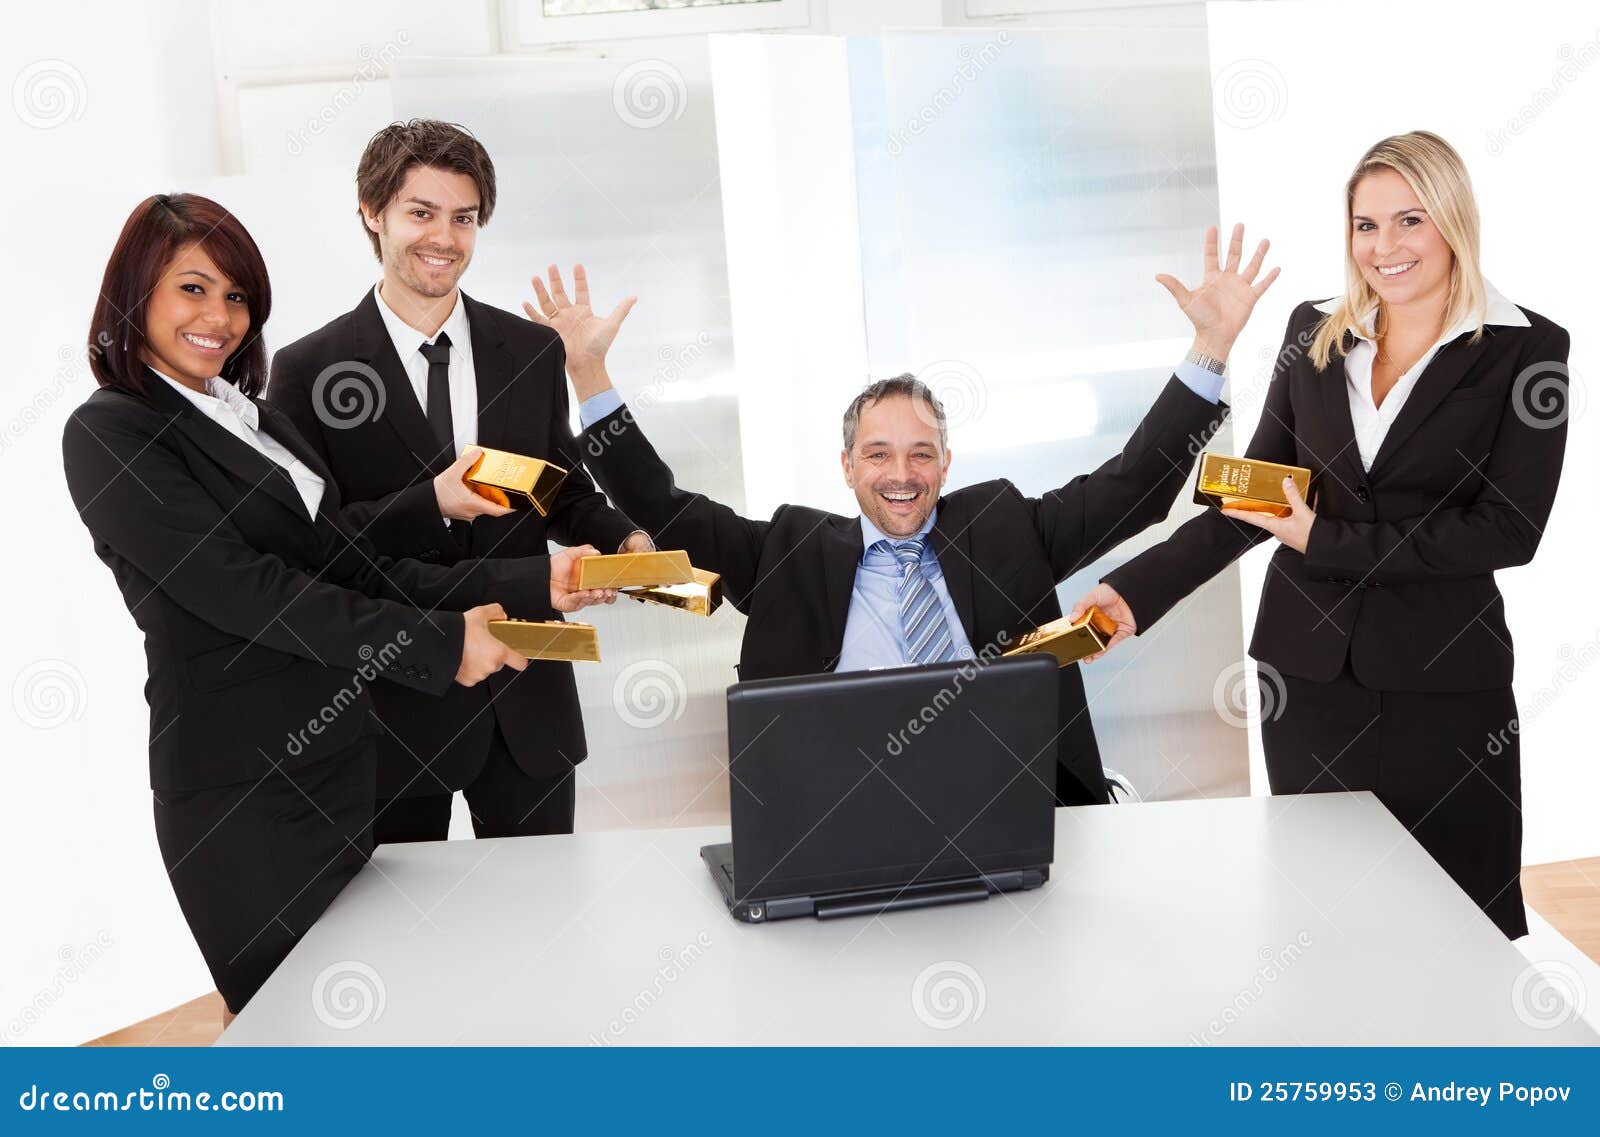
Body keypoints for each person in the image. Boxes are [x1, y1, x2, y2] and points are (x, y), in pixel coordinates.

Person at [61, 193, 614, 1015]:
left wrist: (531, 585)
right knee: (304, 1041)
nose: (220, 316)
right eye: (193, 289)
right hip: (245, 794)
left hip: (339, 767)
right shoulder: (110, 431)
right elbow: (250, 593)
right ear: (135, 293)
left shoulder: (254, 420)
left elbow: (343, 559)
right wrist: (437, 644)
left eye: (238, 296)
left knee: (390, 1025)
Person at [526, 223, 1279, 805]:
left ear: (946, 465)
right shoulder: (788, 551)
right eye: (878, 454)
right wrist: (588, 372)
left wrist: (1210, 346)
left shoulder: (1006, 526)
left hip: (1010, 793)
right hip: (836, 804)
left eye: (921, 453)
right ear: (847, 467)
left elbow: (1136, 486)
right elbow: (660, 505)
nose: (901, 473)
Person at [1072, 132, 1571, 937]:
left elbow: (1507, 530)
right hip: (1306, 681)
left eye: (1410, 221)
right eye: (1364, 225)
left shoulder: (1526, 348)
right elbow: (1261, 493)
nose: (1385, 247)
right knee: (1328, 920)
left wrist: (1326, 541)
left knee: (1462, 922)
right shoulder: (1316, 331)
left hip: (1443, 684)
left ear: (1454, 221)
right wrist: (1136, 591)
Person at [268, 120, 646, 845]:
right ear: (371, 213)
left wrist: (622, 538)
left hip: (528, 699)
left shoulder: (530, 351)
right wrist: (426, 500)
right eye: (421, 212)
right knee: (408, 946)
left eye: (463, 218)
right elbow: (314, 550)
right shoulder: (308, 370)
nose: (444, 237)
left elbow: (555, 487)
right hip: (393, 706)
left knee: (545, 924)